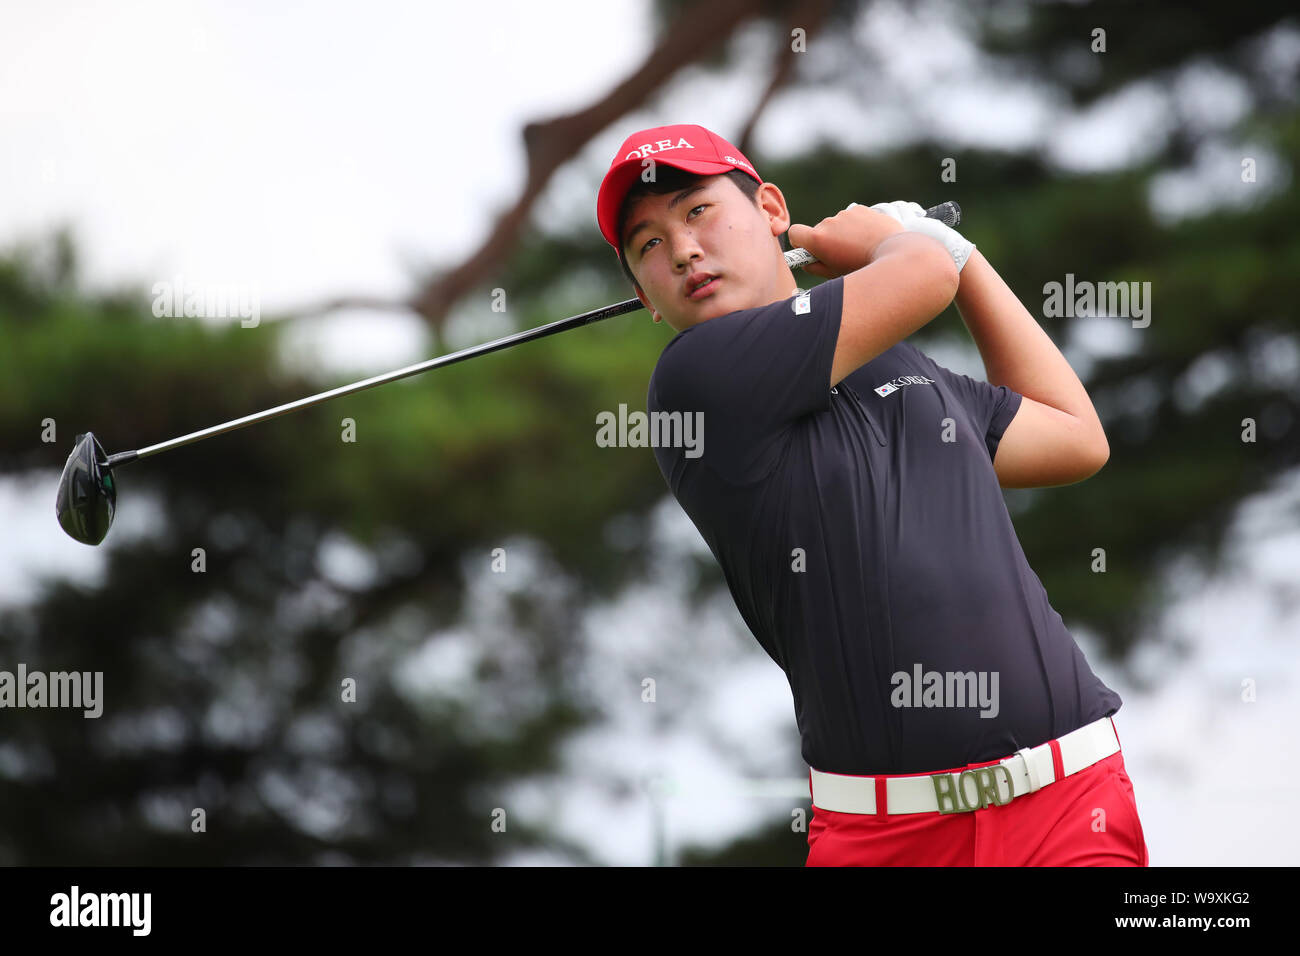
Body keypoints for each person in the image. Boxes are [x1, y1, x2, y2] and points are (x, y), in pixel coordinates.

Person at [595, 123, 1149, 866]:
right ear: (647, 300)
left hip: (1069, 800)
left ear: (769, 208)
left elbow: (1075, 436)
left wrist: (963, 256)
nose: (685, 250)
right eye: (648, 246)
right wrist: (900, 242)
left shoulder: (900, 365)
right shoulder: (695, 381)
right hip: (890, 840)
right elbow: (921, 278)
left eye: (696, 211)